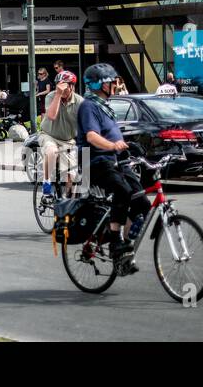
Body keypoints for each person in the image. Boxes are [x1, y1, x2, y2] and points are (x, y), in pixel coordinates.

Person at [77, 62, 150, 267]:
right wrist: (112, 146)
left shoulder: (105, 107)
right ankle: (115, 241)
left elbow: (114, 134)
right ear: (99, 84)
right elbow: (91, 136)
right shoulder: (88, 106)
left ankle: (124, 249)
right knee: (122, 191)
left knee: (142, 203)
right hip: (95, 162)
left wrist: (130, 146)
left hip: (116, 161)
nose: (114, 85)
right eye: (110, 82)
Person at [40, 70, 81, 199]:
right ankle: (46, 182)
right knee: (51, 151)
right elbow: (51, 116)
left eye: (65, 85)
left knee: (71, 178)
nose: (62, 88)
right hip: (49, 135)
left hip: (68, 140)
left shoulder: (80, 102)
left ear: (72, 86)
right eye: (59, 85)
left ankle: (66, 202)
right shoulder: (51, 96)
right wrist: (58, 94)